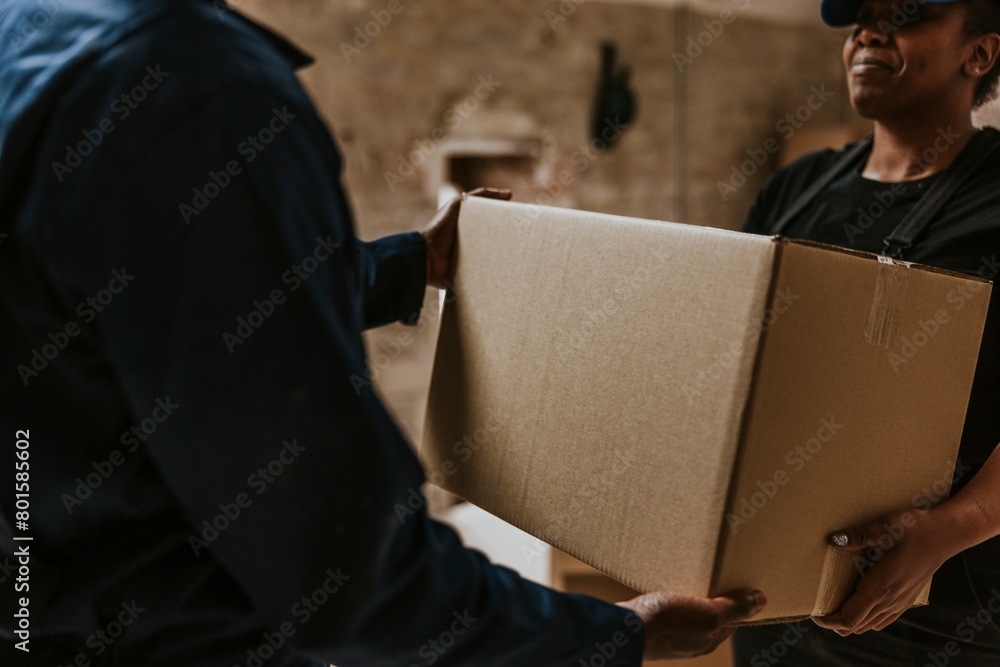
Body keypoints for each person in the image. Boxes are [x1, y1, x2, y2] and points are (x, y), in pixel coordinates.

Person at [0, 0, 766, 664]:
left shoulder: (32, 40)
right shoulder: (198, 92)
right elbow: (344, 578)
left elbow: (161, 298)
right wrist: (610, 635)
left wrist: (407, 266)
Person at [732, 0, 1000, 664]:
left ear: (980, 54)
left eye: (905, 14)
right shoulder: (796, 189)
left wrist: (948, 530)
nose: (868, 33)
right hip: (775, 605)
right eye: (860, 18)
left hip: (946, 620)